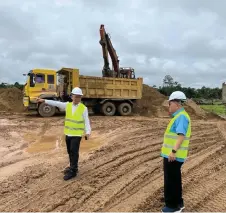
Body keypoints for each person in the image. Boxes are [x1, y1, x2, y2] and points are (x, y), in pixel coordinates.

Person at [37, 87, 91, 181]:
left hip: (77, 135)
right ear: (72, 96)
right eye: (76, 96)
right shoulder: (67, 105)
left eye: (79, 97)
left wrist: (88, 132)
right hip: (68, 133)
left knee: (74, 152)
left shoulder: (83, 108)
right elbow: (56, 103)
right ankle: (72, 167)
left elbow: (87, 121)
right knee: (70, 151)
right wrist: (44, 100)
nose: (77, 98)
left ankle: (73, 171)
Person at [160, 91, 191, 213]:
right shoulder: (179, 116)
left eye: (170, 103)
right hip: (174, 156)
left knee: (171, 180)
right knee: (175, 179)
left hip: (173, 156)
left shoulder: (181, 117)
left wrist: (173, 151)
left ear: (177, 104)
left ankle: (172, 206)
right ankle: (178, 203)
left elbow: (181, 135)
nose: (169, 106)